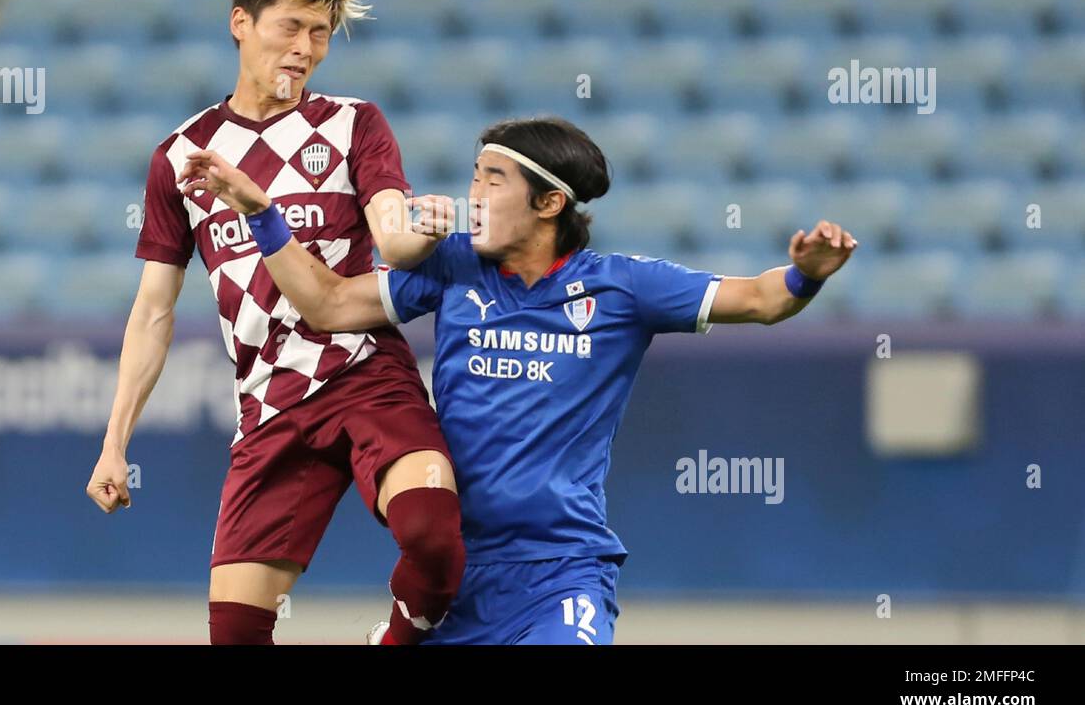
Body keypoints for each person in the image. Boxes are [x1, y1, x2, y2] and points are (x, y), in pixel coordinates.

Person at [176, 115, 858, 644]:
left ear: (550, 202)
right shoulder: (451, 269)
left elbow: (764, 301)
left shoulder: (624, 288)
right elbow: (327, 304)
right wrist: (261, 214)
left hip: (560, 571)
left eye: (492, 179)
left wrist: (807, 274)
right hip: (453, 580)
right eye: (474, 175)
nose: (472, 194)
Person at [86, 0, 465, 646]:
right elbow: (153, 313)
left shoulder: (356, 123)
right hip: (269, 407)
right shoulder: (182, 156)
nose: (306, 49)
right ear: (241, 22)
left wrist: (419, 228)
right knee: (233, 637)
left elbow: (390, 228)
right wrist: (113, 441)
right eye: (290, 27)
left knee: (433, 536)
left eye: (320, 33)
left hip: (366, 375)